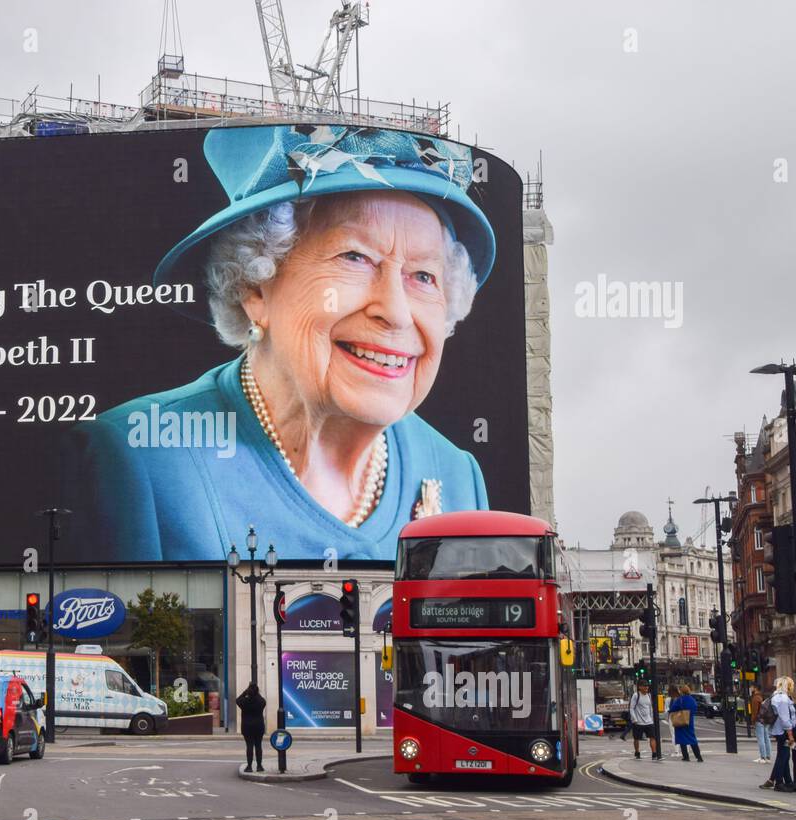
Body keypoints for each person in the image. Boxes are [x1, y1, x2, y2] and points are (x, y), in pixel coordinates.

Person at [66, 125, 497, 562]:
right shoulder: (139, 459)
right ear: (254, 287)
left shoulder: (457, 476)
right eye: (355, 257)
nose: (397, 312)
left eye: (424, 276)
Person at [761, 676, 796, 793]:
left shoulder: (776, 696)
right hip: (783, 731)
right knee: (782, 757)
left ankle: (788, 781)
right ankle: (779, 783)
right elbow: (784, 718)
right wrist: (790, 734)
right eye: (791, 685)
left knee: (784, 756)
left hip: (779, 731)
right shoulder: (782, 699)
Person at [236, 681, 266, 772]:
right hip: (259, 726)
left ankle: (249, 766)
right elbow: (262, 700)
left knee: (249, 746)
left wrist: (246, 692)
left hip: (247, 726)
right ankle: (259, 766)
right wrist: (256, 692)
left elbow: (237, 700)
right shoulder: (261, 701)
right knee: (258, 745)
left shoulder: (244, 701)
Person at [667, 684, 702, 762]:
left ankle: (686, 756)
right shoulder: (692, 699)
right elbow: (695, 708)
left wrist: (670, 711)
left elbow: (673, 708)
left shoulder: (680, 699)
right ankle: (698, 757)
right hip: (689, 721)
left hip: (681, 721)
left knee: (682, 739)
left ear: (682, 691)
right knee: (692, 739)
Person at [627, 681, 660, 760]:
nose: (646, 688)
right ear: (640, 687)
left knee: (652, 737)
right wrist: (634, 719)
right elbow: (631, 708)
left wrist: (651, 718)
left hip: (649, 721)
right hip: (638, 722)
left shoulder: (649, 695)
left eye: (647, 686)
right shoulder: (636, 695)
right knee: (636, 739)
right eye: (644, 686)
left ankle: (654, 754)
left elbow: (650, 707)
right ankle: (637, 752)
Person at [750, 687, 771, 762]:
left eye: (751, 687)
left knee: (761, 739)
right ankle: (768, 757)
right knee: (766, 738)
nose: (750, 688)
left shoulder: (755, 698)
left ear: (755, 688)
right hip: (764, 720)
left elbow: (755, 712)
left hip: (759, 720)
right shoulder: (762, 697)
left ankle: (762, 757)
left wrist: (753, 721)